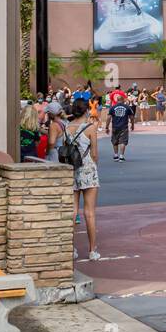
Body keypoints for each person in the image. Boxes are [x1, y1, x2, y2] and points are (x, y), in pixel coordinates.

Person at [62, 98, 101, 260]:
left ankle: (71, 248)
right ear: (86, 110)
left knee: (72, 211)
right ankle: (92, 250)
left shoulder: (67, 127)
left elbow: (65, 148)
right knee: (89, 212)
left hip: (72, 169)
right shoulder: (90, 128)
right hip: (87, 169)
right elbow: (95, 153)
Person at [108, 92, 134, 161]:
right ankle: (121, 156)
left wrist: (106, 127)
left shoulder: (113, 107)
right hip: (124, 127)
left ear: (117, 100)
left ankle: (116, 155)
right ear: (123, 100)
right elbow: (131, 117)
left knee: (115, 141)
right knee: (123, 141)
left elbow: (108, 118)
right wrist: (132, 125)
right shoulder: (127, 107)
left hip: (115, 127)